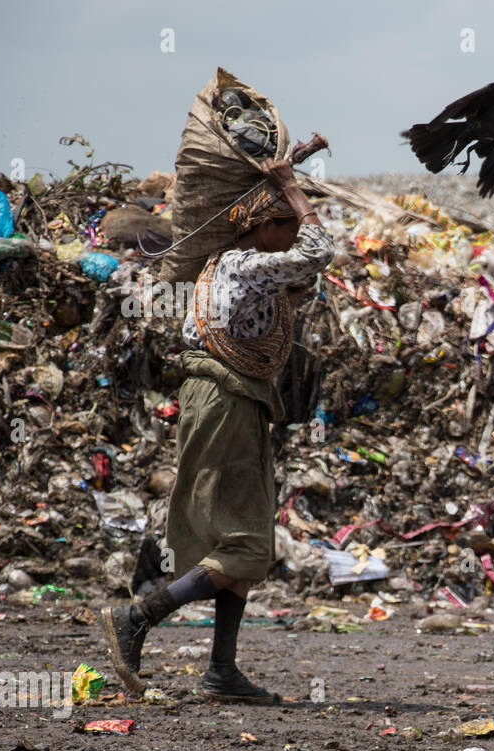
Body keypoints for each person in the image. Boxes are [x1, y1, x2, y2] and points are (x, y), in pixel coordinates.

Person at [100, 158, 332, 704]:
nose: (293, 237)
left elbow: (307, 276)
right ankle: (136, 617)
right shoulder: (245, 263)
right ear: (260, 225)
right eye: (286, 227)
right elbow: (320, 251)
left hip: (231, 397)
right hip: (226, 398)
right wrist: (292, 188)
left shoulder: (234, 267)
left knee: (240, 531)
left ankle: (222, 671)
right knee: (248, 541)